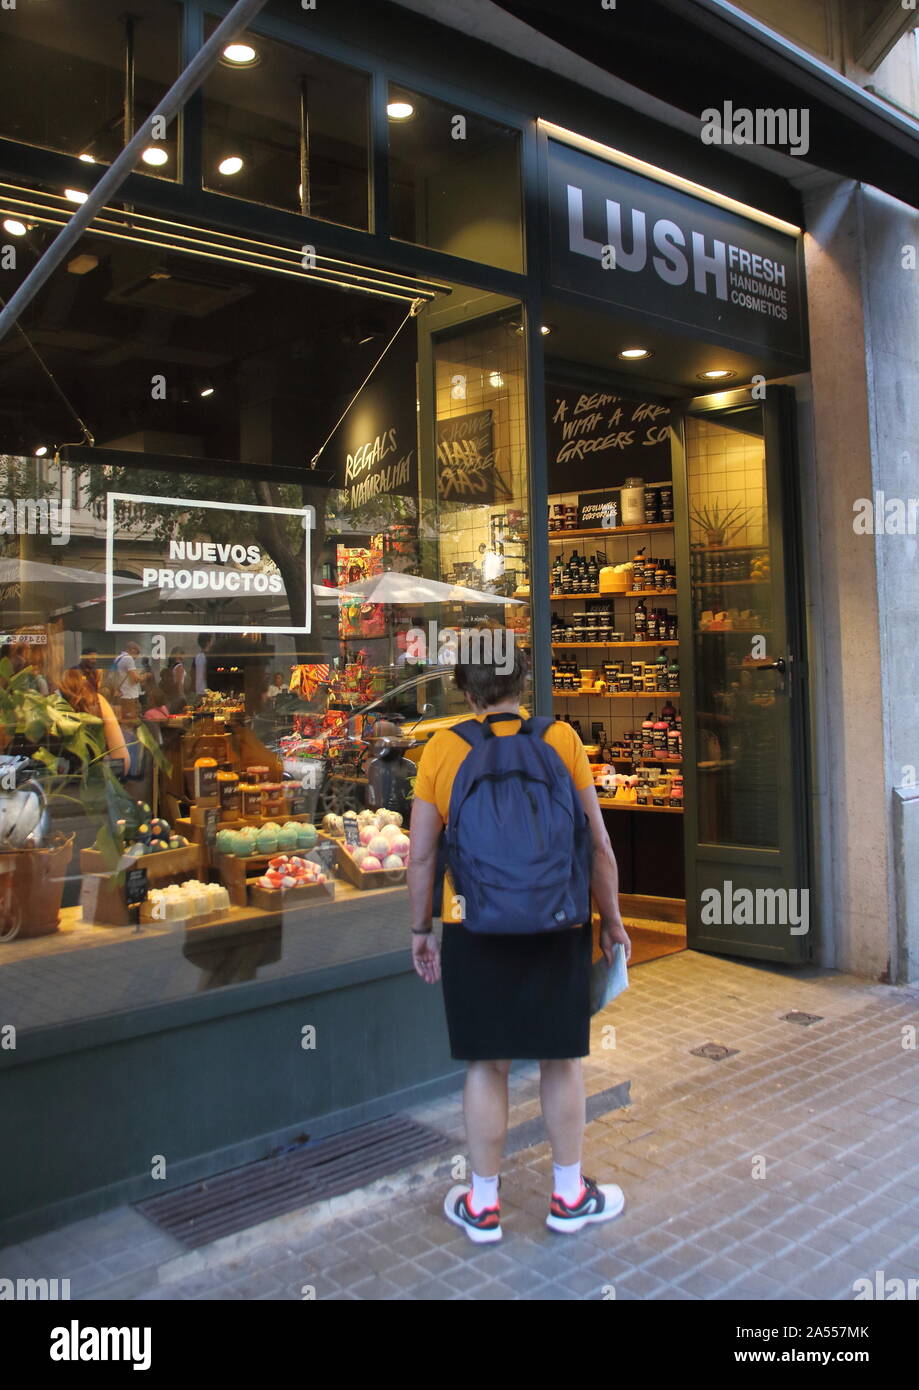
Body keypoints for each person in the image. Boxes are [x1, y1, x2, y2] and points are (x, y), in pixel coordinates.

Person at [407, 643, 632, 1243]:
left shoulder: (442, 749)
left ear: (465, 688)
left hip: (473, 922)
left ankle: (482, 1207)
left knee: (488, 1062)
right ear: (522, 681)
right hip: (557, 921)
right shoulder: (561, 740)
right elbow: (599, 845)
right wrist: (611, 922)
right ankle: (567, 1195)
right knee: (562, 1058)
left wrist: (421, 928)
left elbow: (422, 854)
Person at [58, 668, 130, 777]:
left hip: (56, 785)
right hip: (96, 784)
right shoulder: (98, 702)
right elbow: (123, 761)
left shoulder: (52, 703)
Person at [109, 641, 147, 718]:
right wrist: (145, 676)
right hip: (129, 696)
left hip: (121, 694)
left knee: (123, 720)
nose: (136, 657)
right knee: (131, 721)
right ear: (132, 650)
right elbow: (135, 679)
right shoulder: (128, 658)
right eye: (137, 653)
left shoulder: (118, 658)